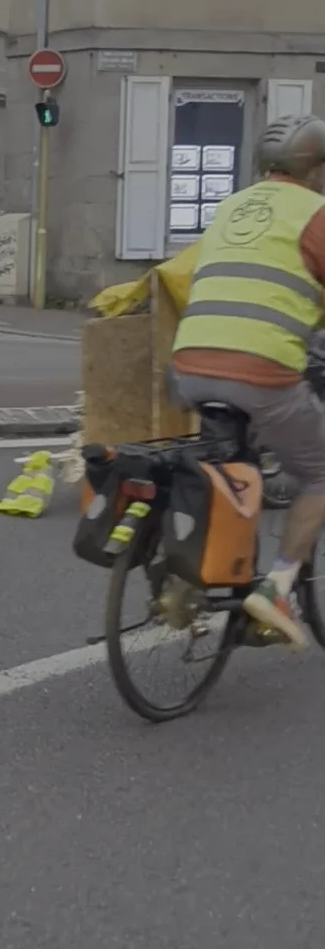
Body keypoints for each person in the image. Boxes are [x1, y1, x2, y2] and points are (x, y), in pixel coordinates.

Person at [171, 114, 325, 649]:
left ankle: (207, 567)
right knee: (321, 473)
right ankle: (278, 587)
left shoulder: (231, 206)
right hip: (261, 372)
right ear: (318, 169)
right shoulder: (316, 212)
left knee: (238, 462)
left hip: (188, 366)